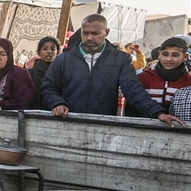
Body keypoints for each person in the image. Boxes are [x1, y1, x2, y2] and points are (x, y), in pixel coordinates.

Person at [40, 14, 183, 126]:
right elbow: (48, 87)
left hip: (103, 126)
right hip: (67, 123)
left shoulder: (120, 59)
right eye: (85, 33)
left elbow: (133, 90)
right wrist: (57, 103)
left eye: (95, 33)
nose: (89, 37)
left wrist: (157, 113)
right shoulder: (64, 59)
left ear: (106, 32)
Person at [128, 37, 191, 117]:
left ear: (185, 57)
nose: (168, 59)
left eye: (175, 55)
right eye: (165, 54)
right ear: (159, 54)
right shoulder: (143, 78)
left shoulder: (188, 82)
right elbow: (131, 107)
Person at [27, 36, 60, 109]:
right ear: (39, 52)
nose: (49, 51)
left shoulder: (61, 74)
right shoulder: (29, 74)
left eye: (53, 49)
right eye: (45, 49)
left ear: (58, 53)